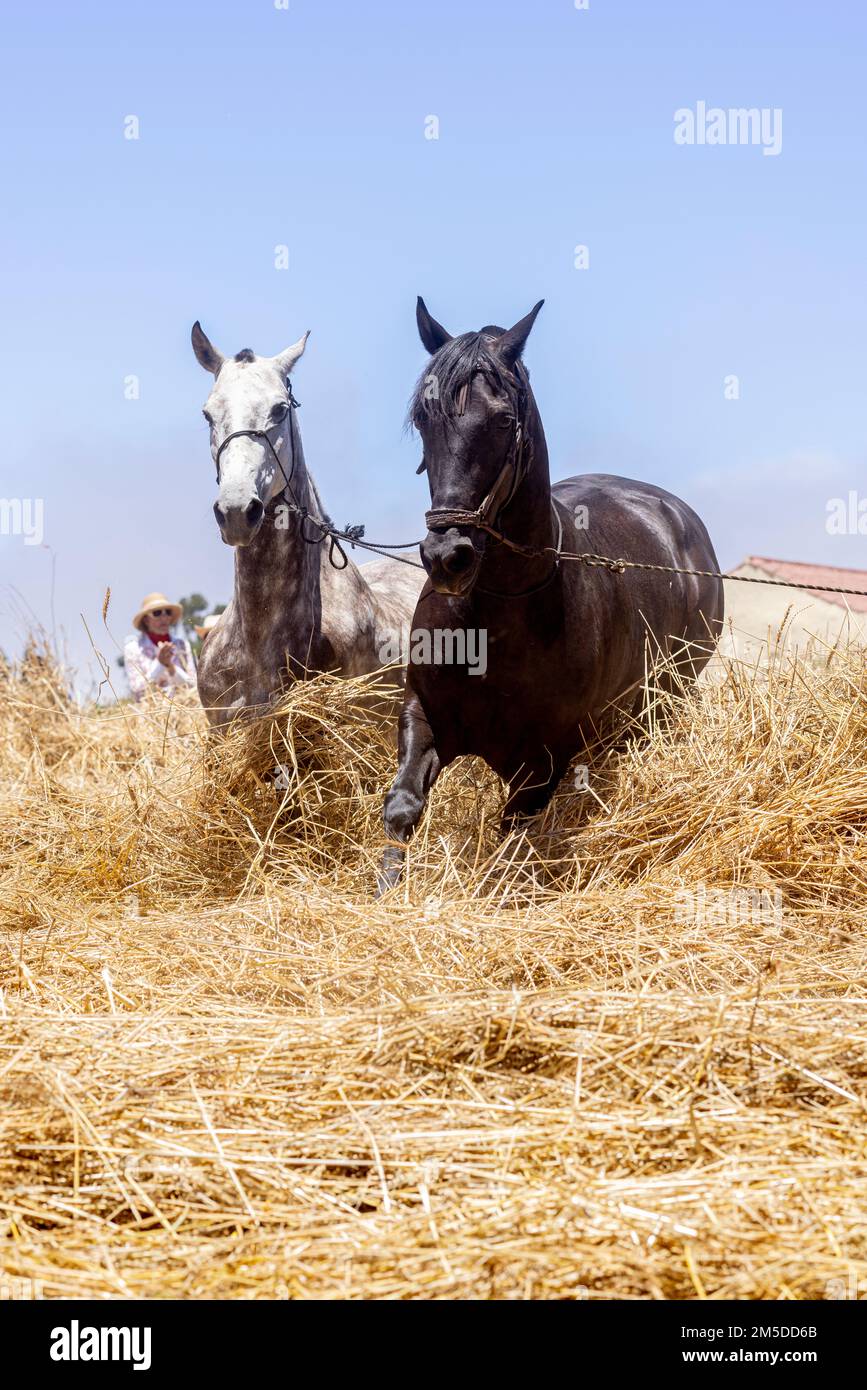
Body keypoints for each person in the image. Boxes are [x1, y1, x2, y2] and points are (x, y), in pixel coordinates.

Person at [124, 593, 196, 700]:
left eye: (167, 612)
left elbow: (194, 685)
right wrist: (160, 664)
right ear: (146, 620)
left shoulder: (182, 645)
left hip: (185, 709)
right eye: (157, 613)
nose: (164, 617)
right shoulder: (133, 649)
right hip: (151, 713)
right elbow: (138, 691)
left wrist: (171, 668)